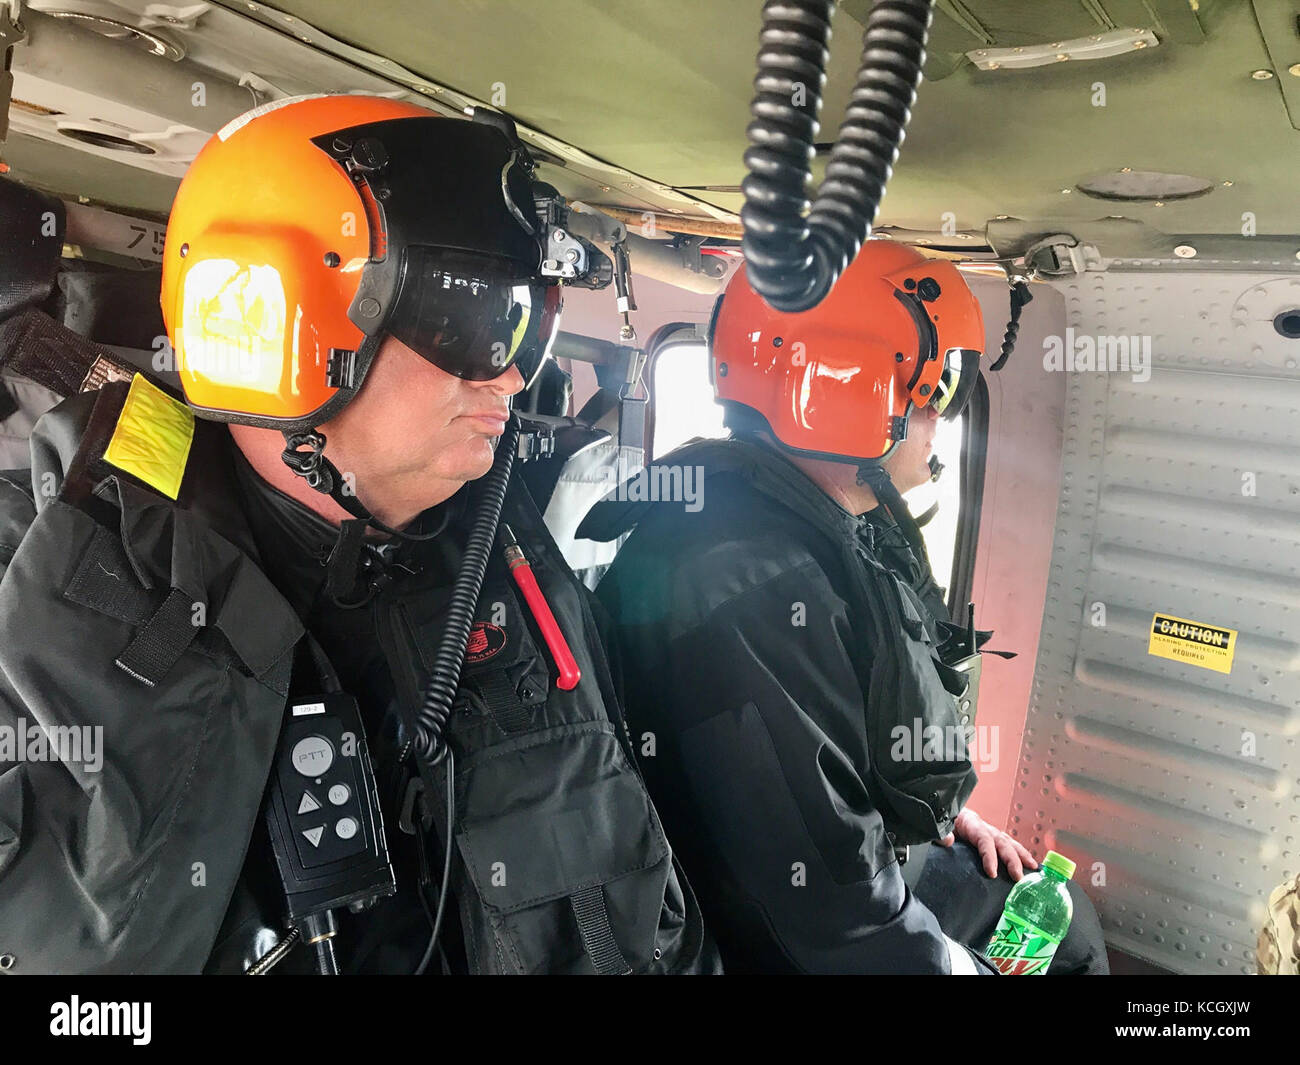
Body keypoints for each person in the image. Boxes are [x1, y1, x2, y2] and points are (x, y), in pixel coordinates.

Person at [0, 95, 717, 975]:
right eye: (471, 315)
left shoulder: (507, 549)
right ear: (282, 329)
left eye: (531, 322)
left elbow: (647, 897)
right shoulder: (47, 585)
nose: (510, 371)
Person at [582, 240, 1108, 974]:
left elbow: (845, 734)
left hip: (856, 863)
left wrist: (946, 817)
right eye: (938, 389)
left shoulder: (818, 530)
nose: (944, 419)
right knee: (1066, 954)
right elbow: (831, 917)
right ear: (850, 394)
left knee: (1066, 919)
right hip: (780, 932)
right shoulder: (747, 584)